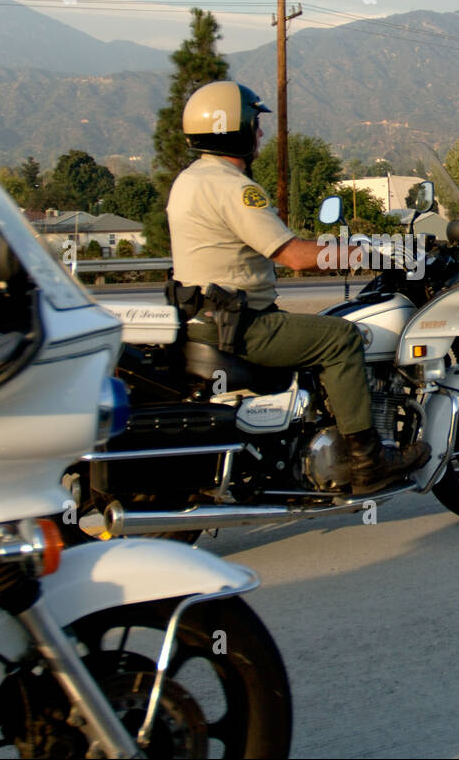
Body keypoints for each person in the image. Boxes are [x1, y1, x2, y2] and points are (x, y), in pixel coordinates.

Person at [165, 80, 429, 494]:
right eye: (254, 125)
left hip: (207, 319)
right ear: (232, 129)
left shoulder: (189, 180)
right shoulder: (233, 188)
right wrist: (364, 253)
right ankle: (368, 461)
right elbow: (294, 255)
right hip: (243, 326)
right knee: (341, 338)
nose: (260, 134)